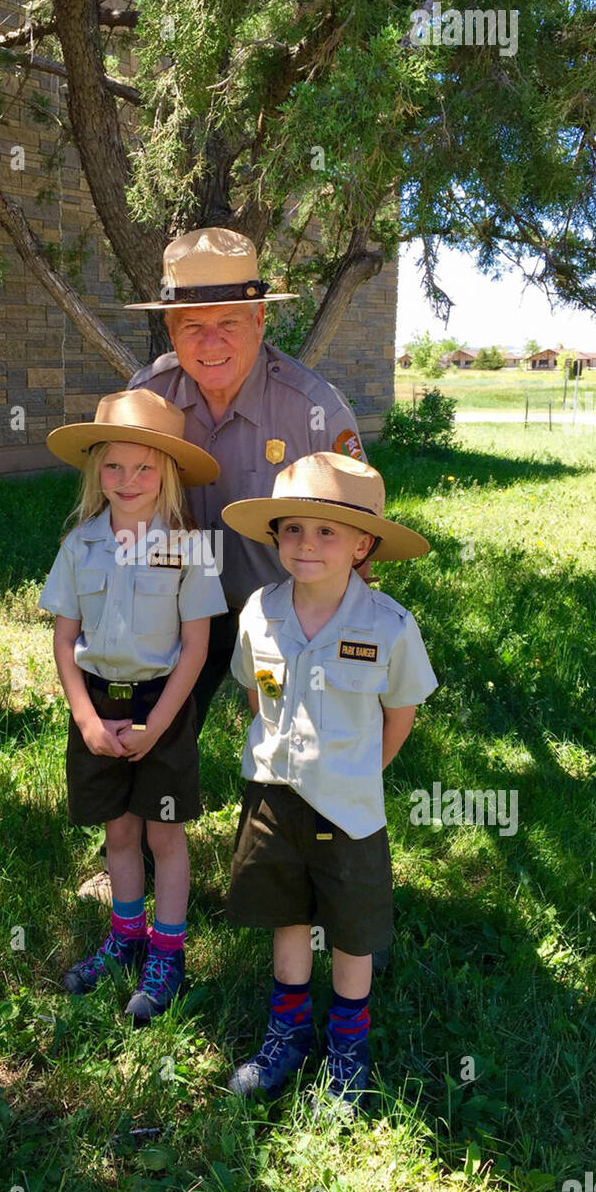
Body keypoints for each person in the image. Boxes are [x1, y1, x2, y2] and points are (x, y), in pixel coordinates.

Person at [219, 452, 437, 1112]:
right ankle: (287, 1032)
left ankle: (348, 1044)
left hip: (349, 809)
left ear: (363, 543)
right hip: (273, 796)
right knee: (286, 914)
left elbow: (399, 714)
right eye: (292, 530)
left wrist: (360, 773)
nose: (306, 544)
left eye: (327, 531)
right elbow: (260, 696)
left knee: (351, 929)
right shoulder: (259, 611)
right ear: (275, 537)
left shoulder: (390, 626)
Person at [124, 225, 371, 735]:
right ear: (170, 329)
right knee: (154, 734)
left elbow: (358, 532)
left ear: (260, 320)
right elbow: (119, 505)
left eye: (229, 323)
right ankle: (164, 807)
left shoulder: (313, 410)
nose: (210, 343)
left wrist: (350, 637)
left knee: (294, 738)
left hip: (284, 609)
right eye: (192, 326)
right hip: (176, 602)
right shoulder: (148, 396)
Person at [38, 389, 228, 1024]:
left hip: (162, 706)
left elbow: (198, 647)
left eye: (145, 467)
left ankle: (167, 952)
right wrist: (88, 721)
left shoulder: (189, 547)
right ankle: (125, 938)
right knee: (119, 831)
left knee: (164, 833)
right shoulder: (78, 545)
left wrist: (160, 725)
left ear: (168, 474)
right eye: (113, 467)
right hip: (97, 703)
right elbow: (64, 640)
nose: (128, 480)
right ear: (96, 471)